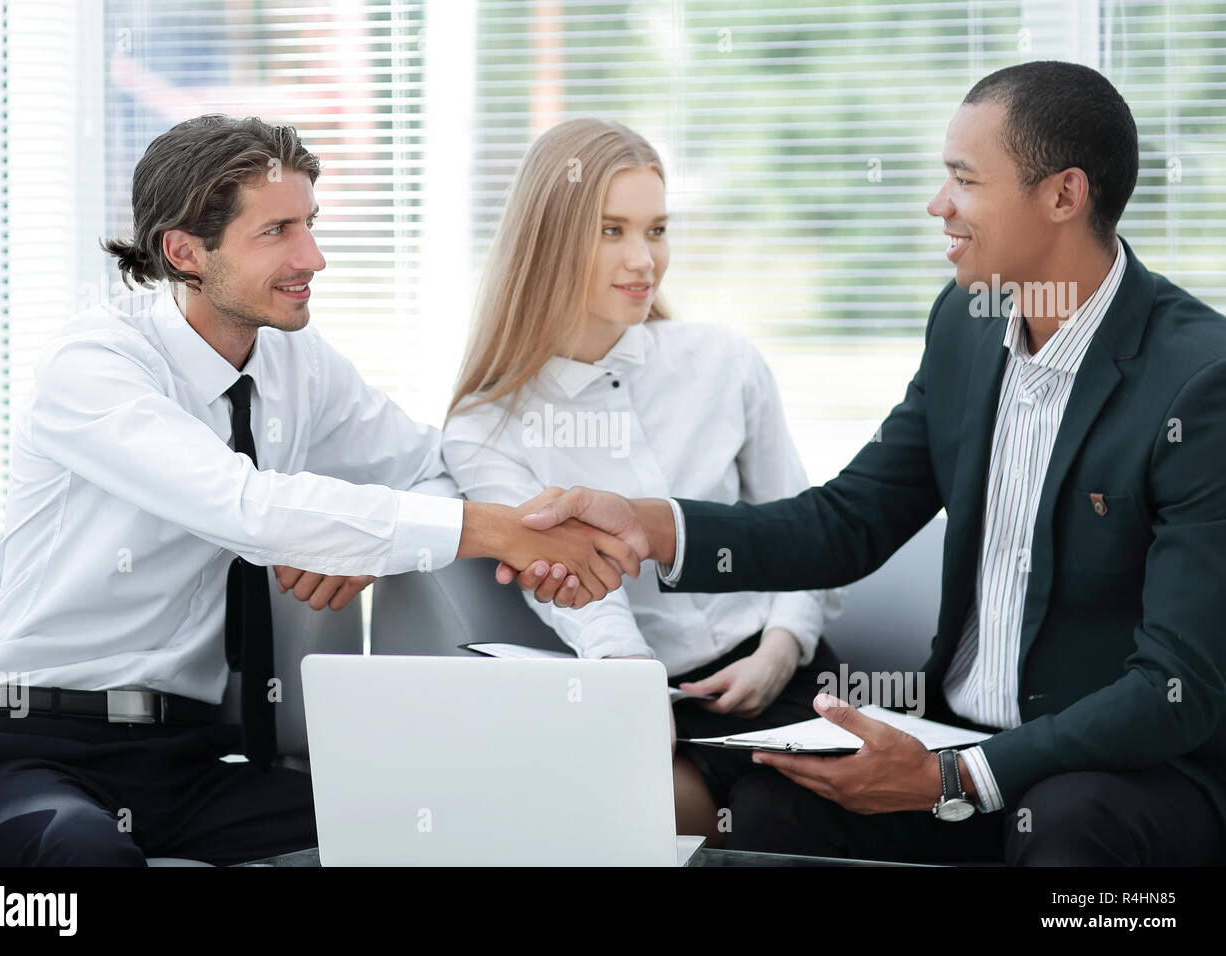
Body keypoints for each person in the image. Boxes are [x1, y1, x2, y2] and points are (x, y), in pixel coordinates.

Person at [500, 61, 1226, 866]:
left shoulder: (1196, 381)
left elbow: (1180, 688)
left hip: (1121, 773)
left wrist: (953, 776)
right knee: (777, 809)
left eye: (963, 180)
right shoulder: (966, 323)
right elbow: (850, 521)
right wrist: (650, 526)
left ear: (1063, 196)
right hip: (957, 738)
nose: (938, 205)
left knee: (1067, 821)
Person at [0, 115, 636, 867]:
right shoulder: (95, 364)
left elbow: (426, 468)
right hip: (32, 744)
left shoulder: (299, 365)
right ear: (184, 252)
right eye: (276, 231)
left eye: (310, 223)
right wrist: (495, 529)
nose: (315, 257)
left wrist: (376, 551)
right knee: (85, 860)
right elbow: (244, 508)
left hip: (191, 763)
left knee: (434, 831)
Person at [441, 117, 843, 842]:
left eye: (656, 229)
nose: (644, 260)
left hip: (785, 674)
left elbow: (809, 533)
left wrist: (781, 647)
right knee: (642, 824)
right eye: (611, 230)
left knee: (775, 817)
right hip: (641, 689)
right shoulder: (484, 429)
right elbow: (578, 595)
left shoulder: (724, 361)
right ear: (551, 239)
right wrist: (633, 695)